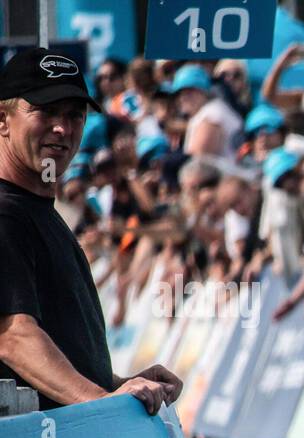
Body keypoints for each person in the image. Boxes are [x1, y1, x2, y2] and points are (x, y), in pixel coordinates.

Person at [0, 49, 181, 413]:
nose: (62, 129)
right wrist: (100, 401)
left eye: (74, 116)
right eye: (45, 111)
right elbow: (12, 337)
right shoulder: (6, 215)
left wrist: (120, 385)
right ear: (2, 120)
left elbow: (56, 359)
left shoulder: (40, 213)